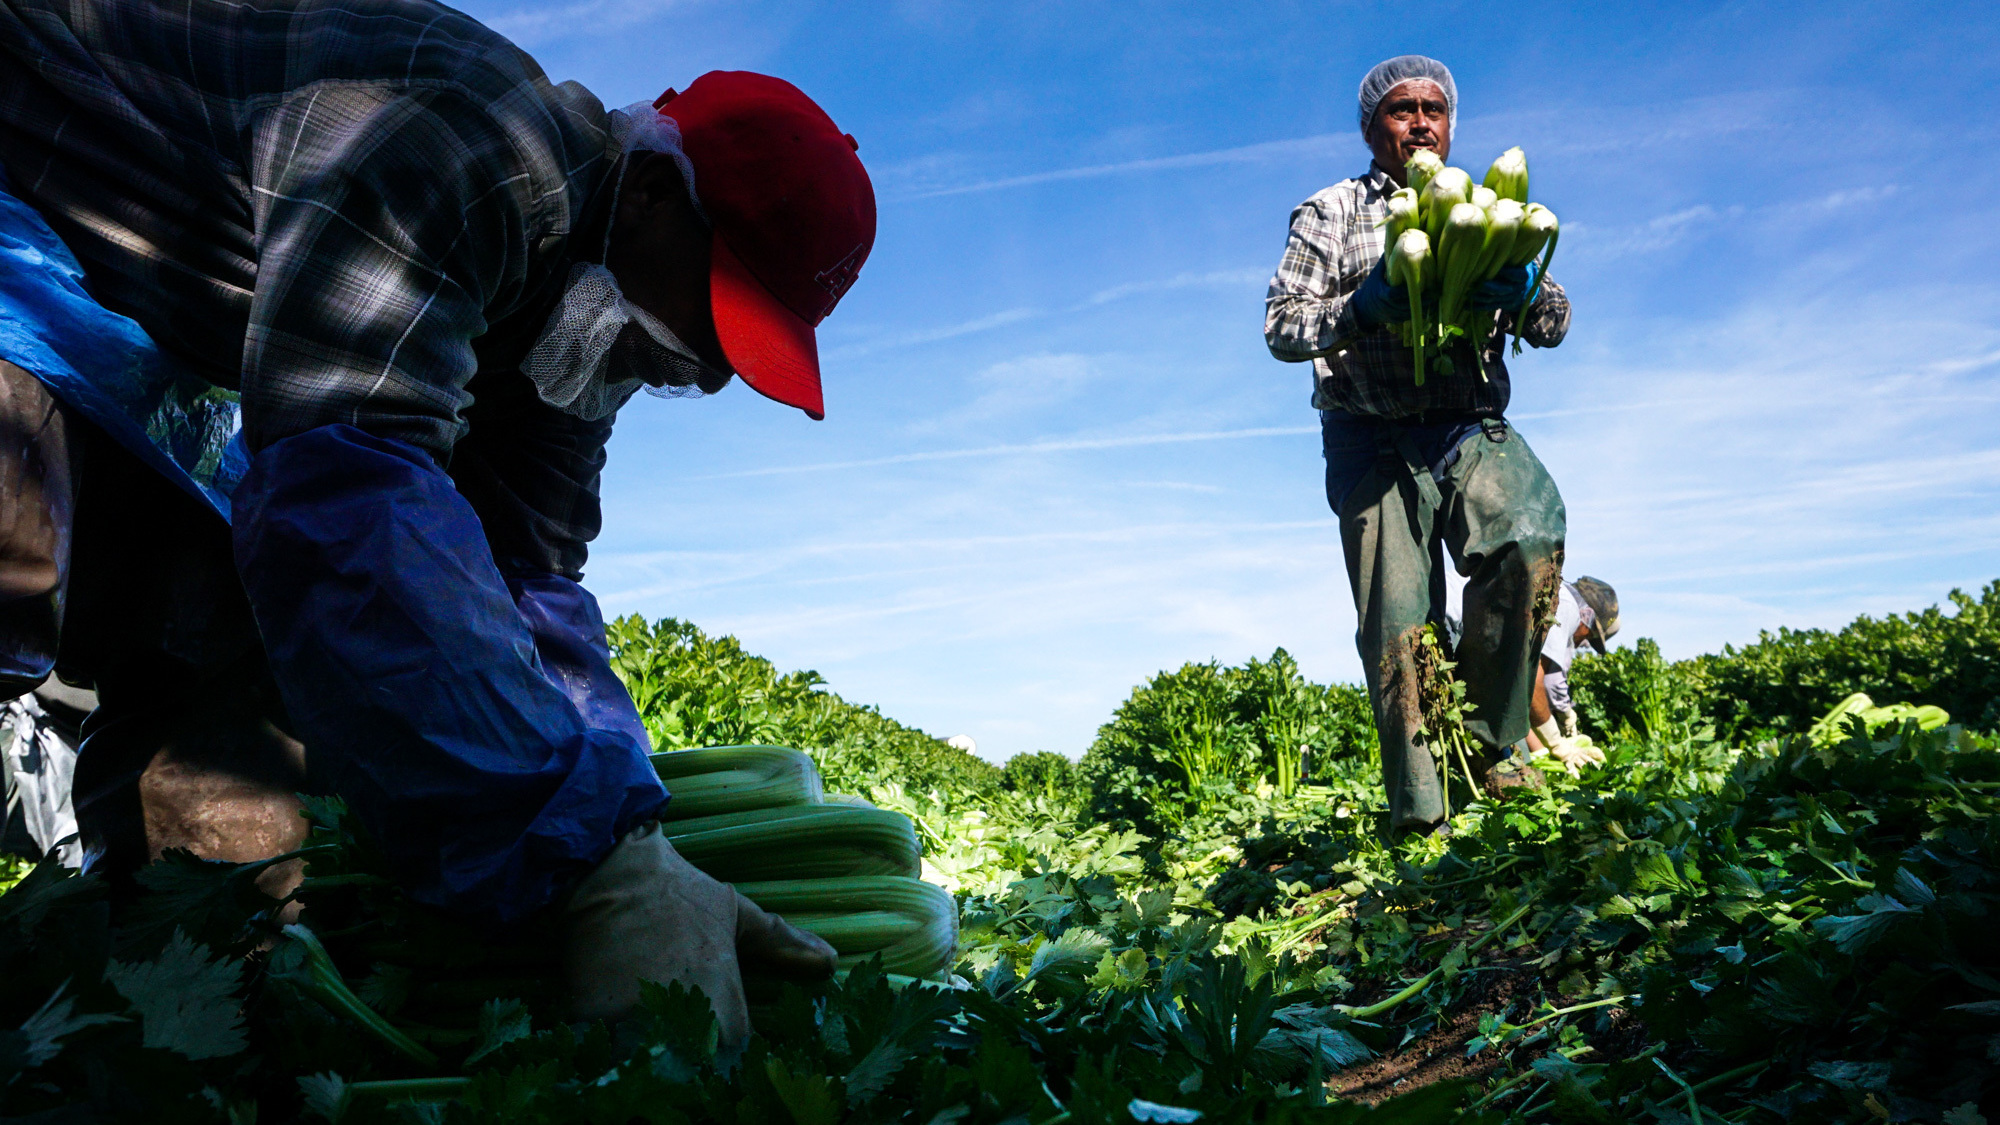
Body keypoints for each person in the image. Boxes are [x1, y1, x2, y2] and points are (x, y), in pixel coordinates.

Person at [0, 0, 876, 1041]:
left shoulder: (574, 338)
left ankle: (102, 1042)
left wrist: (619, 825)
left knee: (235, 772)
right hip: (29, 210)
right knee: (15, 545)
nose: (709, 372)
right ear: (647, 195)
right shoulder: (475, 148)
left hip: (140, 339)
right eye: (716, 318)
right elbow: (348, 497)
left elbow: (534, 590)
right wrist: (597, 876)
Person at [1264, 55, 1574, 836]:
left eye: (1434, 108)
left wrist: (1528, 289)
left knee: (1531, 540)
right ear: (1373, 128)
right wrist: (1362, 306)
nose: (1420, 122)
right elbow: (1281, 325)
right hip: (1370, 435)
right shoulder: (1329, 211)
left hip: (1468, 422)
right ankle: (1421, 820)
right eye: (1401, 110)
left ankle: (1492, 743)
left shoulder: (1479, 202)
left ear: (1451, 121)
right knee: (1401, 627)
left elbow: (1557, 319)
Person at [1526, 577, 1618, 774]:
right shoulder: (1566, 607)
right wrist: (1555, 742)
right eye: (1590, 635)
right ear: (1587, 616)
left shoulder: (1559, 599)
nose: (1583, 641)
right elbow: (1530, 680)